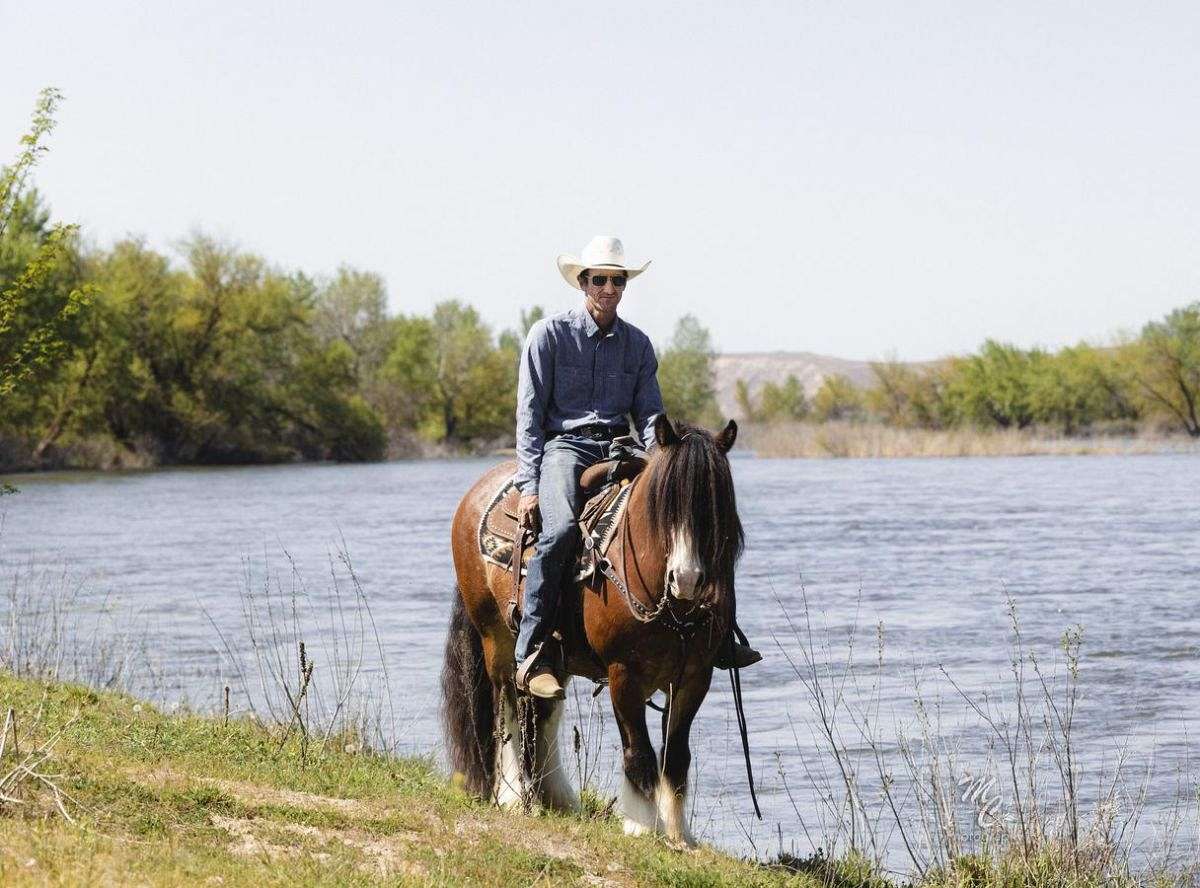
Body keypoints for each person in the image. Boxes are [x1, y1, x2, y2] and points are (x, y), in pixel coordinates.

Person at [513, 235, 760, 699]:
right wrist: (529, 484)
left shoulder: (638, 346)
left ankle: (719, 632)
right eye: (600, 279)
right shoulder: (547, 336)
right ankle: (533, 652)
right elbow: (528, 417)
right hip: (565, 450)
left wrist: (665, 461)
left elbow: (650, 416)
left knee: (692, 517)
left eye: (617, 279)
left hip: (621, 449)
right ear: (583, 282)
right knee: (562, 530)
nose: (609, 287)